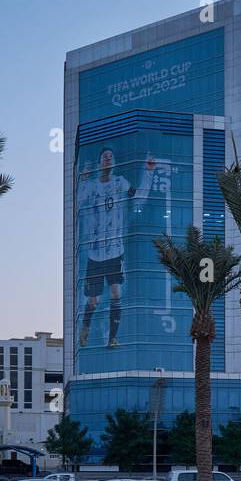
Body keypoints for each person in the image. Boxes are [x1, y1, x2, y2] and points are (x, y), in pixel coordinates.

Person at [77, 147, 155, 350]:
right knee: (93, 301)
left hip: (115, 252)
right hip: (95, 254)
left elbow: (138, 197)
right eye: (104, 157)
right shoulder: (92, 186)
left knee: (115, 293)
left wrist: (148, 173)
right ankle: (84, 329)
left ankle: (113, 338)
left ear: (114, 162)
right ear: (99, 162)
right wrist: (83, 180)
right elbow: (80, 201)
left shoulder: (121, 183)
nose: (108, 159)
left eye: (111, 157)